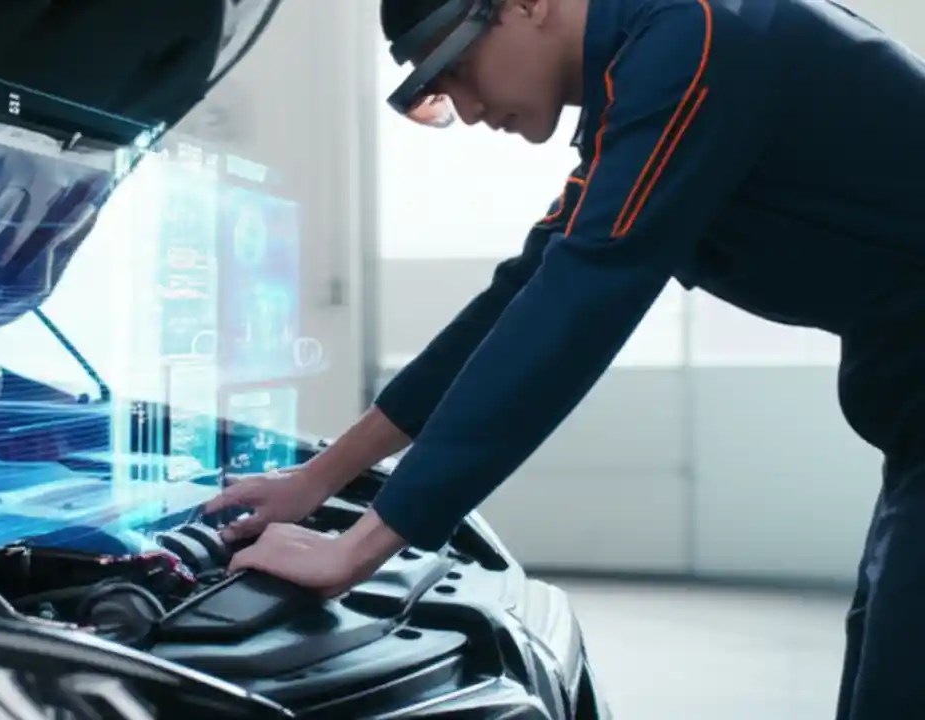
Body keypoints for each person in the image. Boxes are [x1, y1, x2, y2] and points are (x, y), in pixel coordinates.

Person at [203, 0, 925, 716]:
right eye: (439, 93)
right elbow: (524, 294)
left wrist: (360, 548)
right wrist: (319, 479)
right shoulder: (650, 70)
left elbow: (579, 302)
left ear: (528, 4)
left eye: (458, 67)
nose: (468, 107)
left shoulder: (699, 37)